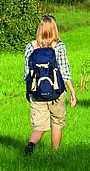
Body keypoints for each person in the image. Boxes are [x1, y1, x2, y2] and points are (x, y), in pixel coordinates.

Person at [23, 15, 77, 156]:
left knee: (39, 126)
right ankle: (54, 153)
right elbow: (65, 71)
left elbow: (27, 73)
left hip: (37, 93)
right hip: (56, 92)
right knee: (57, 123)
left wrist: (28, 91)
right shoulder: (59, 46)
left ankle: (31, 144)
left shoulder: (31, 46)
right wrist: (72, 91)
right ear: (54, 29)